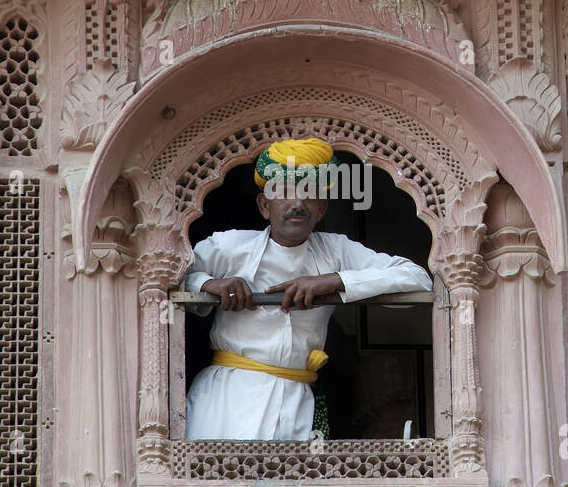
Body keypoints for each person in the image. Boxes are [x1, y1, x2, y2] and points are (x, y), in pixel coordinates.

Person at [184, 137, 433, 441]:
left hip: (297, 402)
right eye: (285, 192)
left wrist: (334, 281)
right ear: (264, 205)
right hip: (227, 399)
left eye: (309, 194)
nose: (297, 203)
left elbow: (417, 278)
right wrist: (208, 285)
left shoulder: (336, 251)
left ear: (322, 208)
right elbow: (170, 276)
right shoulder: (229, 246)